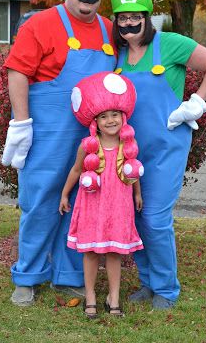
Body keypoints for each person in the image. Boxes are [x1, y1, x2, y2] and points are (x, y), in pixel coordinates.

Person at [1, 0, 116, 306]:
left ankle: (68, 276)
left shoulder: (110, 30)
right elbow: (18, 72)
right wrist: (22, 124)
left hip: (92, 135)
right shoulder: (41, 24)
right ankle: (29, 275)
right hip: (49, 131)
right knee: (40, 202)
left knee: (84, 200)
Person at [111, 0, 206, 309]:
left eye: (136, 17)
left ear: (147, 18)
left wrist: (196, 102)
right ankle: (148, 283)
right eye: (123, 18)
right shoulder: (116, 55)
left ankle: (166, 288)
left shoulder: (171, 44)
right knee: (135, 216)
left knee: (154, 218)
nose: (129, 24)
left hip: (166, 149)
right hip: (129, 149)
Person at [59, 71, 144, 317]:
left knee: (114, 253)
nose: (110, 120)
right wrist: (65, 194)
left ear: (123, 117)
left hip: (119, 206)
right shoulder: (88, 146)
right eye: (104, 116)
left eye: (114, 115)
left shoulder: (127, 145)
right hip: (92, 206)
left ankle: (114, 297)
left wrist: (137, 194)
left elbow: (133, 172)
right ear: (95, 121)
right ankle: (91, 296)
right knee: (92, 252)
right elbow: (76, 170)